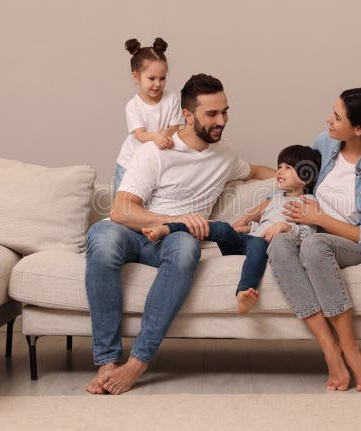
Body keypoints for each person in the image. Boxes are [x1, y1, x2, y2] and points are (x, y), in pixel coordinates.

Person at [85, 74, 275, 395]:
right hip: (134, 232)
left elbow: (255, 171)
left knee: (188, 248)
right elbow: (121, 210)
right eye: (212, 114)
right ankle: (107, 362)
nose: (222, 121)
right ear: (187, 115)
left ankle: (137, 362)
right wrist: (176, 219)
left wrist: (296, 180)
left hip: (173, 241)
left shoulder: (223, 154)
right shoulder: (157, 151)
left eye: (225, 112)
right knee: (102, 238)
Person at [268, 88, 361, 392]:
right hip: (312, 233)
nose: (328, 120)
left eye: (336, 117)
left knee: (315, 244)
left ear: (358, 128)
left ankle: (351, 350)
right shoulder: (325, 144)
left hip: (355, 246)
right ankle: (329, 349)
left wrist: (320, 219)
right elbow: (299, 177)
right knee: (280, 244)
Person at [141, 144, 322, 314]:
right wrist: (245, 227)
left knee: (258, 243)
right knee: (222, 227)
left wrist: (285, 226)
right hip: (249, 240)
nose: (280, 171)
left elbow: (309, 234)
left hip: (264, 248)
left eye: (288, 168)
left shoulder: (308, 202)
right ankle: (167, 229)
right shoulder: (275, 197)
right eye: (280, 166)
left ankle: (243, 293)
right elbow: (259, 221)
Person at [114, 37, 183, 192]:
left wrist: (166, 133)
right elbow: (140, 135)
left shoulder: (171, 99)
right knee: (123, 205)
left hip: (154, 162)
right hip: (129, 164)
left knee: (146, 206)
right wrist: (157, 137)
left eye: (162, 78)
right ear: (136, 77)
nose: (157, 84)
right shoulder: (133, 106)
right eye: (151, 78)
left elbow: (174, 126)